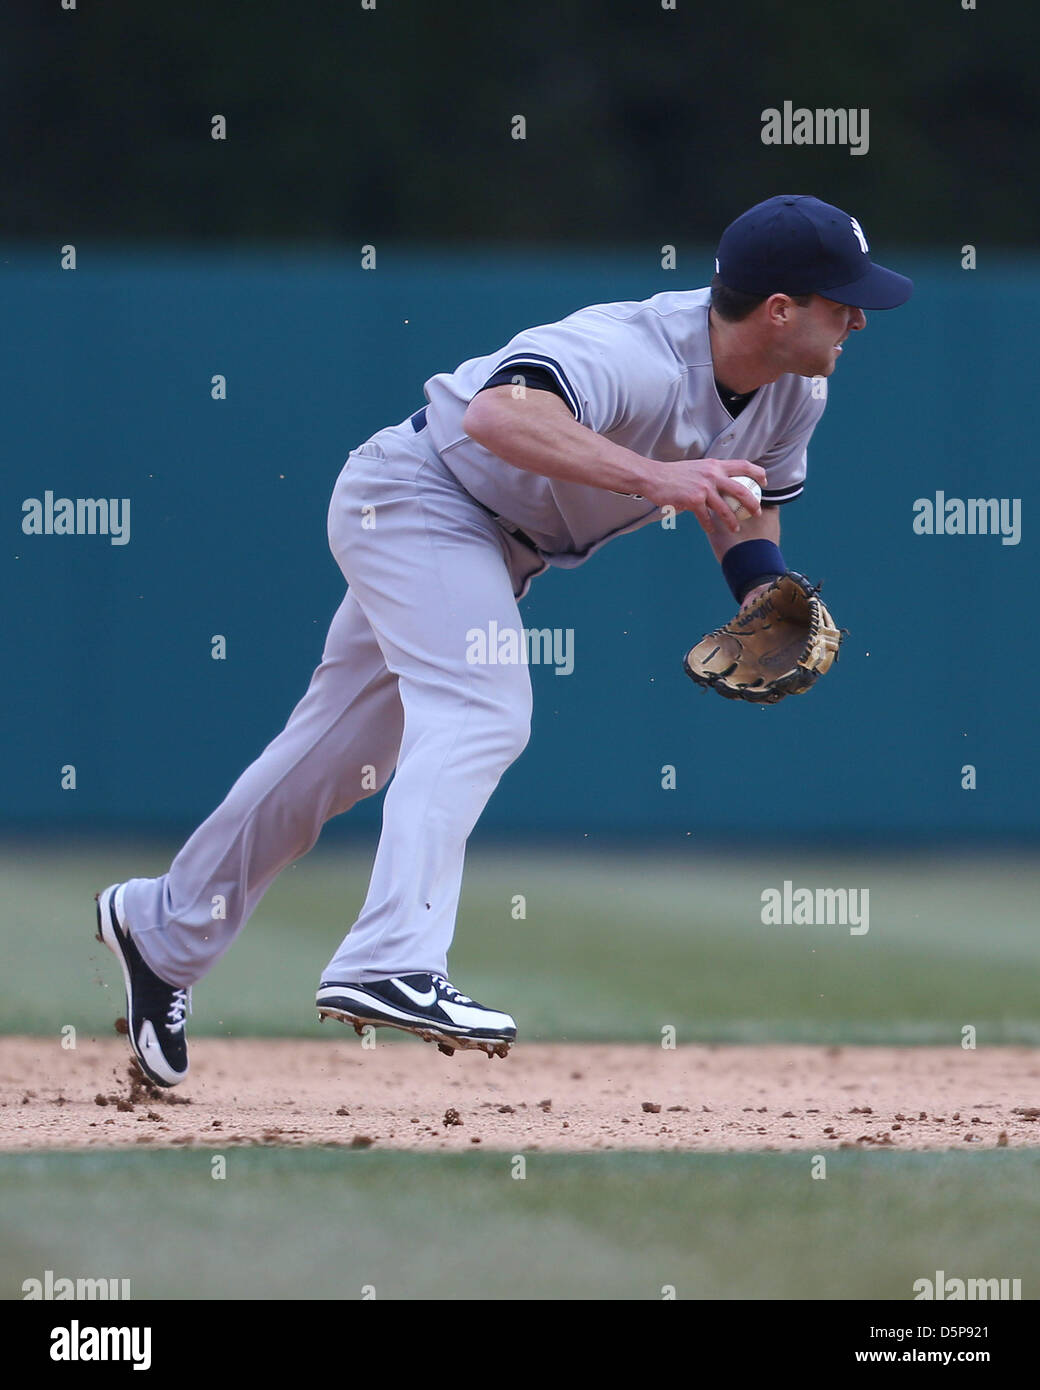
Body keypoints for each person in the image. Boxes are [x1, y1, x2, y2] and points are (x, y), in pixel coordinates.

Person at [96, 194, 912, 1085]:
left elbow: (738, 508)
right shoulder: (632, 353)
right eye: (843, 300)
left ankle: (162, 931)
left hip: (486, 546)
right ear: (780, 309)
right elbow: (496, 416)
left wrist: (763, 592)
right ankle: (390, 961)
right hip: (419, 496)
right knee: (483, 709)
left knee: (330, 760)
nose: (861, 315)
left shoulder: (798, 391)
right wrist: (657, 476)